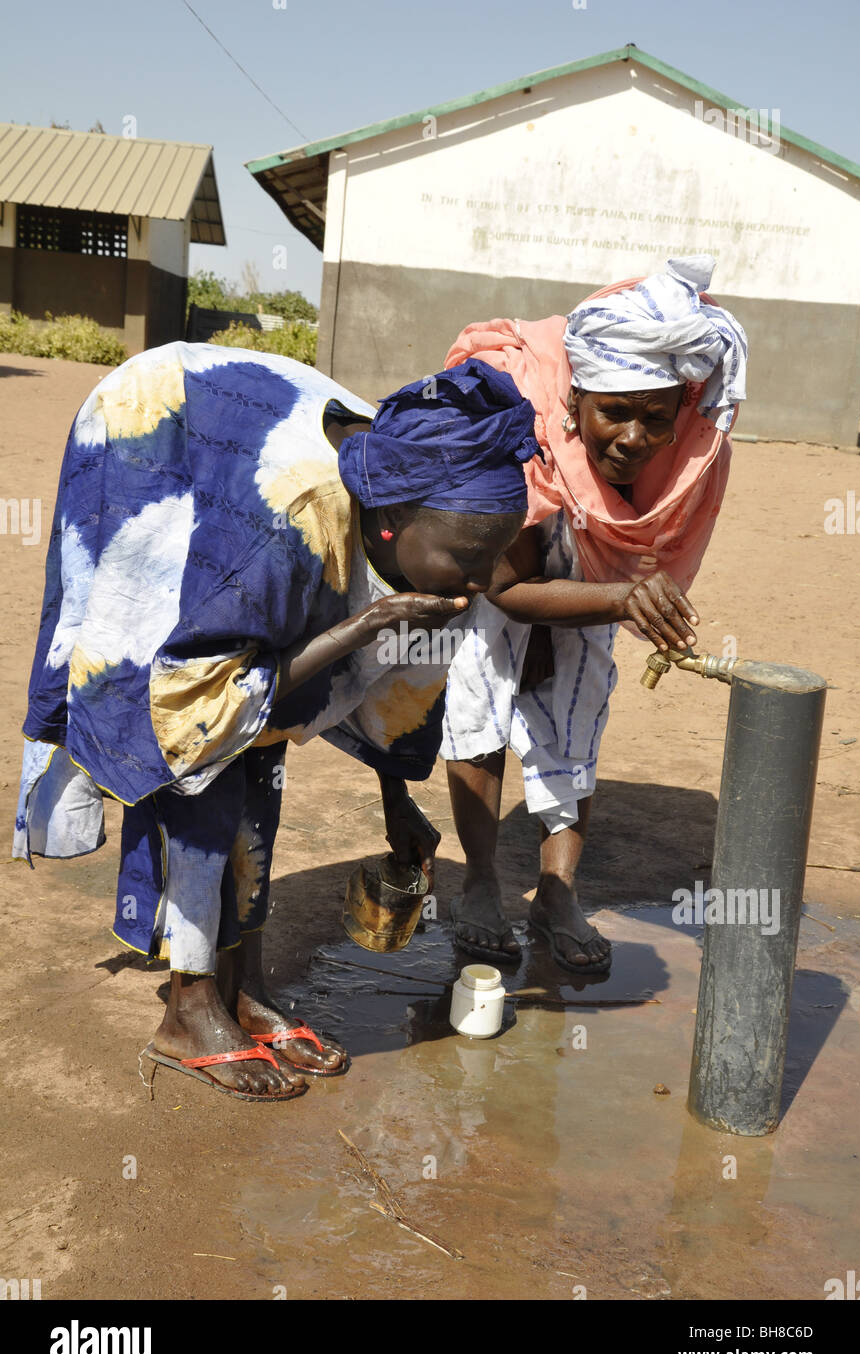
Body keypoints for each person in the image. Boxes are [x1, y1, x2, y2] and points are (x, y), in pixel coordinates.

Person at [13, 344, 535, 1099]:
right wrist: (360, 627)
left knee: (265, 759)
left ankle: (246, 987)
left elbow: (389, 695)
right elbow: (195, 705)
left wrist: (400, 808)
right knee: (206, 772)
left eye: (497, 554)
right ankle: (188, 1007)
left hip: (263, 478)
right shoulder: (288, 518)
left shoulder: (431, 537)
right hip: (155, 435)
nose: (487, 580)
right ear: (389, 526)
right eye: (470, 557)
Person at [441, 255, 748, 973]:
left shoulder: (682, 467)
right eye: (615, 412)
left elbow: (628, 567)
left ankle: (556, 893)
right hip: (502, 584)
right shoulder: (526, 441)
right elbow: (504, 585)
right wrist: (616, 597)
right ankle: (481, 882)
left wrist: (608, 601)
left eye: (655, 419)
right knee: (479, 708)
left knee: (575, 722)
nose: (633, 439)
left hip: (588, 587)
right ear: (576, 402)